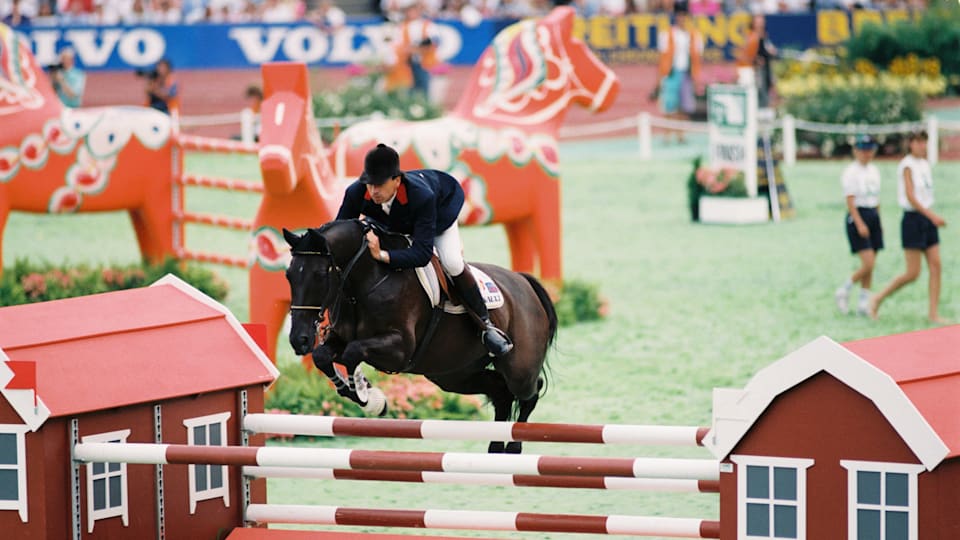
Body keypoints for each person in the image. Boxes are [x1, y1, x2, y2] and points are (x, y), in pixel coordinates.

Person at [335, 143, 514, 357]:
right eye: (369, 184)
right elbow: (340, 231)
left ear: (397, 180)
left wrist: (381, 255)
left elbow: (421, 254)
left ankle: (486, 326)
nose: (373, 191)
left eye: (379, 185)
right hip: (393, 222)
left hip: (438, 213)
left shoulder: (422, 196)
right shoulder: (357, 192)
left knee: (451, 262)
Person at [869, 131, 948, 323]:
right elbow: (911, 196)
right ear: (911, 144)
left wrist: (930, 216)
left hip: (927, 218)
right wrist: (932, 216)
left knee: (936, 265)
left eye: (925, 142)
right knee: (913, 273)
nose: (922, 146)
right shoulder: (907, 165)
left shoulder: (925, 164)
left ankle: (933, 313)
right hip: (914, 219)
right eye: (919, 142)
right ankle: (877, 299)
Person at [834, 135, 882, 316]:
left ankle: (863, 301)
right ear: (856, 151)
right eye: (863, 149)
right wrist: (860, 223)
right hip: (858, 215)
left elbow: (876, 198)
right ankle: (844, 289)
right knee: (867, 262)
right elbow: (850, 201)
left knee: (871, 263)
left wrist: (879, 220)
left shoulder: (874, 171)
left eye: (869, 149)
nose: (866, 153)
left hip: (872, 214)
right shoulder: (851, 172)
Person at [656, 1, 702, 143]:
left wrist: (695, 77)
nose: (682, 18)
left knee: (684, 106)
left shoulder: (694, 35)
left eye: (684, 16)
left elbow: (697, 57)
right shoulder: (668, 34)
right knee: (669, 106)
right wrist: (660, 78)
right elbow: (662, 57)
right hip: (671, 73)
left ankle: (681, 134)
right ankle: (667, 134)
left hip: (686, 73)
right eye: (679, 16)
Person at [737, 14, 778, 108]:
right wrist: (756, 59)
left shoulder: (763, 34)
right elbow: (746, 52)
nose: (760, 23)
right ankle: (759, 108)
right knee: (758, 88)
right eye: (758, 21)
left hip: (765, 65)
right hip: (755, 67)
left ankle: (765, 107)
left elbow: (766, 47)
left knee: (767, 85)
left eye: (762, 21)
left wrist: (771, 51)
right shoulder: (751, 35)